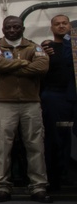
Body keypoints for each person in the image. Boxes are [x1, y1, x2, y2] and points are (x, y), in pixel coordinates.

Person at [0, 15, 52, 203]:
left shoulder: (34, 47)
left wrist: (10, 67)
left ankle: (38, 186)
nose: (12, 30)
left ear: (23, 28)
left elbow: (42, 67)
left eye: (16, 27)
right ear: (3, 29)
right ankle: (2, 186)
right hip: (4, 103)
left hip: (31, 103)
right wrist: (24, 63)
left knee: (35, 144)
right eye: (9, 27)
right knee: (2, 146)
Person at [40, 15, 75, 191]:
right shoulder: (47, 48)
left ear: (70, 26)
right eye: (57, 24)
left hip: (73, 96)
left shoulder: (74, 46)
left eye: (64, 23)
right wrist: (43, 54)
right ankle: (54, 179)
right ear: (52, 28)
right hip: (54, 97)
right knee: (55, 138)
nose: (61, 26)